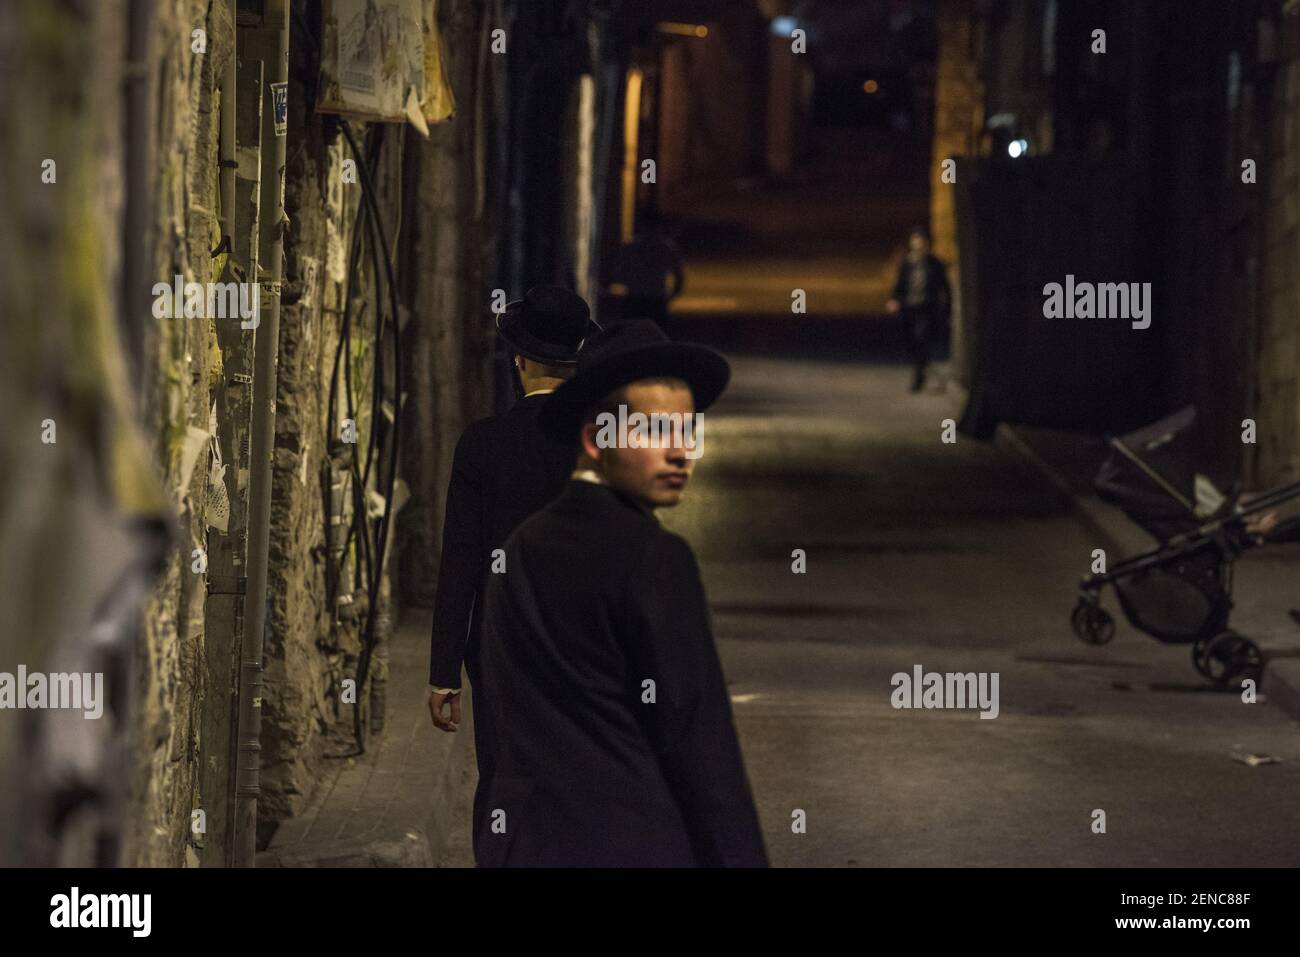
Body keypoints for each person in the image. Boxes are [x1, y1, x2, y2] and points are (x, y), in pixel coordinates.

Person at [475, 319, 768, 867]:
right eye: (657, 432)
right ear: (596, 439)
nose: (682, 453)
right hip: (632, 842)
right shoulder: (656, 557)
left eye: (689, 431)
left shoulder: (519, 548)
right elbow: (698, 740)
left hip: (528, 845)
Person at [426, 285, 599, 865]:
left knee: (504, 779)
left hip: (501, 646)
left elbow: (460, 561)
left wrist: (444, 673)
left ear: (519, 361)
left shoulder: (483, 445)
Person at [886, 227, 951, 392]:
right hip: (910, 307)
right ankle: (924, 368)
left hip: (926, 308)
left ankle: (918, 377)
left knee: (921, 338)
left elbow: (944, 287)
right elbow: (900, 284)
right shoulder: (907, 263)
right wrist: (894, 300)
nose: (918, 246)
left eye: (921, 242)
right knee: (912, 342)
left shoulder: (934, 263)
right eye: (915, 242)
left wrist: (946, 310)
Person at [608, 230, 686, 333]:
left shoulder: (631, 246)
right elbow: (678, 275)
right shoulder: (665, 246)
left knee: (633, 334)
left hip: (634, 300)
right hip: (656, 301)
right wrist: (672, 295)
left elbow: (617, 275)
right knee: (657, 334)